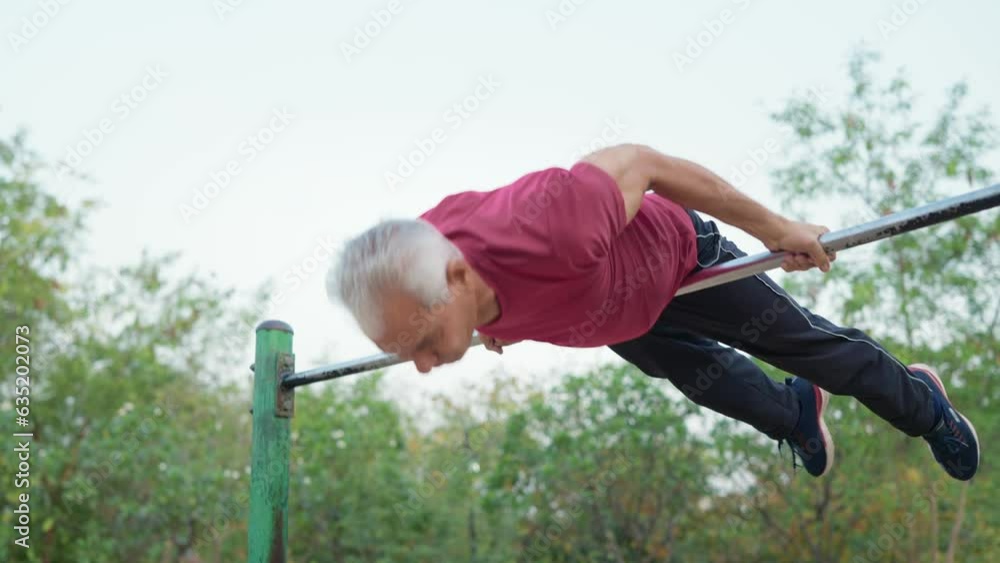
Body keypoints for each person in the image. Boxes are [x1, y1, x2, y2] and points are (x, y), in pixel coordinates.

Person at [326, 143, 979, 480]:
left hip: (679, 261)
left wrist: (776, 228)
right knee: (710, 383)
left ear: (459, 277)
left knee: (810, 348)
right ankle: (796, 411)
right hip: (604, 309)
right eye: (403, 351)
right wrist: (481, 323)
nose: (422, 366)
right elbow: (467, 296)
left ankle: (925, 407)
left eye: (425, 343)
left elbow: (646, 163)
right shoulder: (426, 270)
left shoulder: (555, 224)